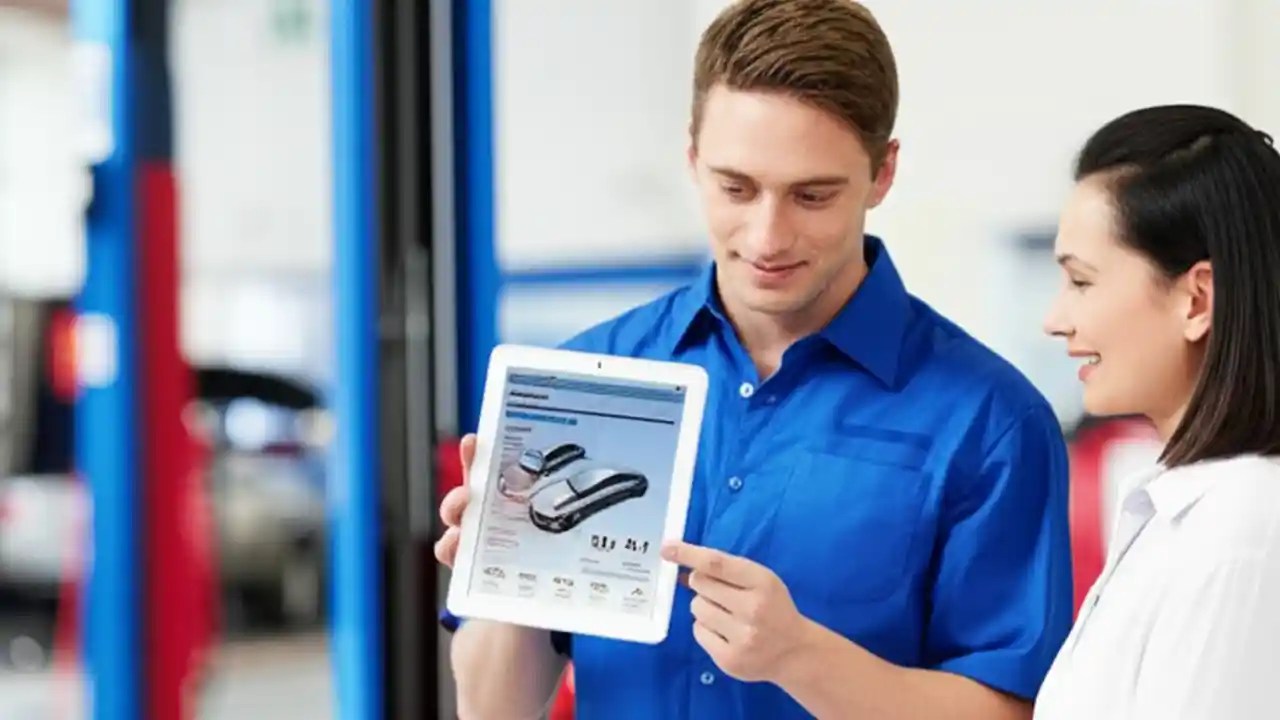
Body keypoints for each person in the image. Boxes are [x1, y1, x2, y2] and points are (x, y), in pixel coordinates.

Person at [436, 1, 1073, 717]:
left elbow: (1010, 710)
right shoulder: (588, 378)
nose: (768, 237)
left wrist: (801, 658)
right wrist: (506, 571)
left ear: (883, 172)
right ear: (692, 158)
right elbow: (494, 708)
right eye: (735, 188)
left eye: (812, 195)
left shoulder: (989, 421)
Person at [1035, 105, 1280, 718]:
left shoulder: (1243, 527)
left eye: (1082, 282)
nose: (1055, 320)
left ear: (1197, 300)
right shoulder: (1180, 510)